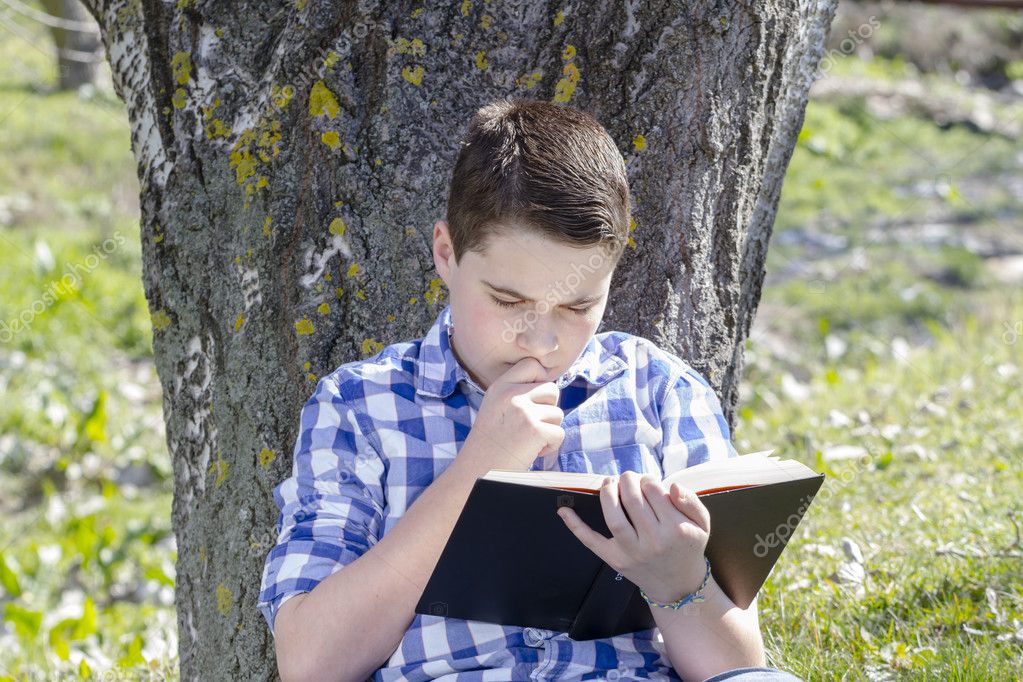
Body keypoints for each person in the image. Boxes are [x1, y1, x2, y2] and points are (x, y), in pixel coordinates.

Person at [257, 98, 803, 682]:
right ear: (446, 253)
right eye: (509, 301)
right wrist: (478, 470)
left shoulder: (661, 393)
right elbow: (310, 664)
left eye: (577, 305)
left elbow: (740, 671)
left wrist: (679, 585)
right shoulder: (359, 407)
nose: (540, 340)